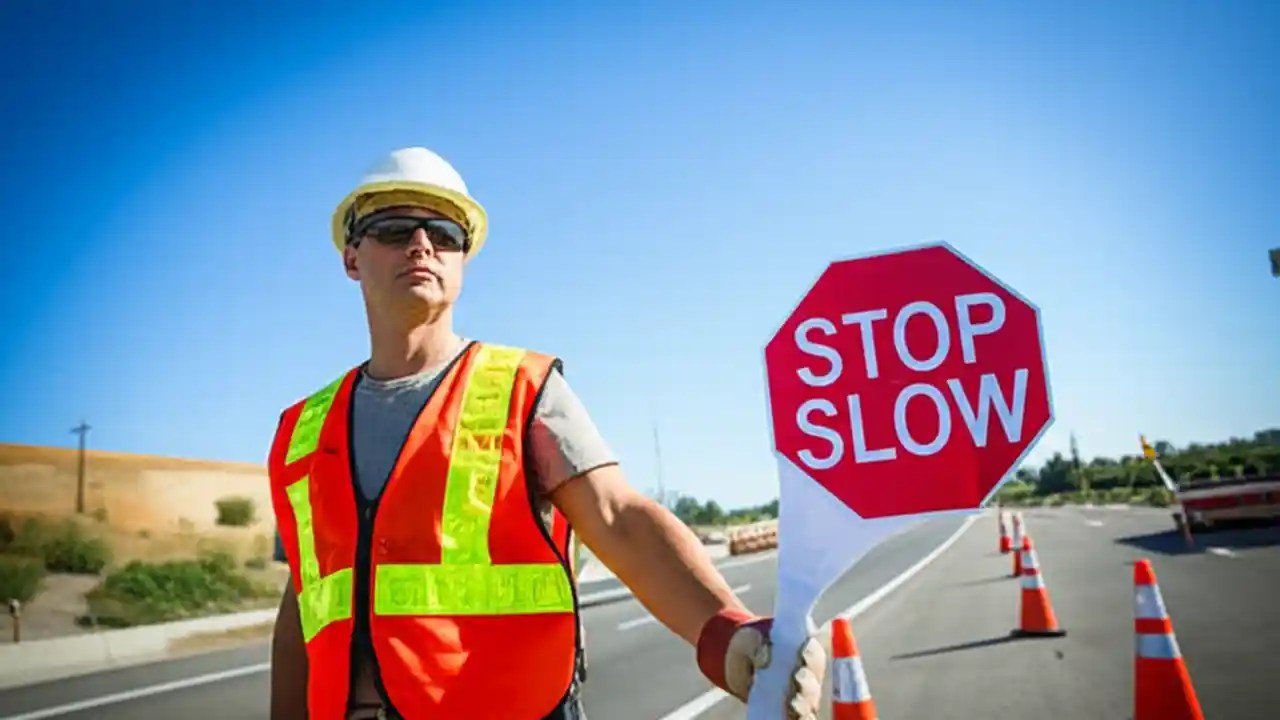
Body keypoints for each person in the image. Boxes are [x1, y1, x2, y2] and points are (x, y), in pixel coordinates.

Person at [266, 147, 825, 720]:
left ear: (463, 260)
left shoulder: (522, 390)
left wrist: (724, 632)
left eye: (444, 232)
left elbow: (617, 517)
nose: (421, 244)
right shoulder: (304, 432)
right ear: (351, 257)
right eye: (392, 228)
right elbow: (305, 606)